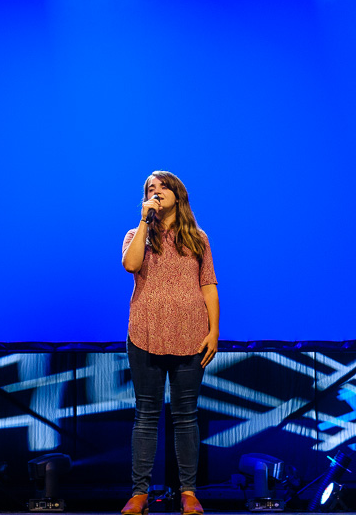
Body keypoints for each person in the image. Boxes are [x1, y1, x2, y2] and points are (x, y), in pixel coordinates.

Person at [120, 171, 220, 515]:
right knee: (146, 415)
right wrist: (144, 221)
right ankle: (139, 494)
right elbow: (130, 265)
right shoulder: (137, 235)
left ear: (178, 195)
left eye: (162, 187)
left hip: (191, 335)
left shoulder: (198, 238)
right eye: (150, 189)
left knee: (185, 416)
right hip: (145, 334)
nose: (156, 192)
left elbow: (208, 285)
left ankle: (189, 493)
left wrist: (214, 331)